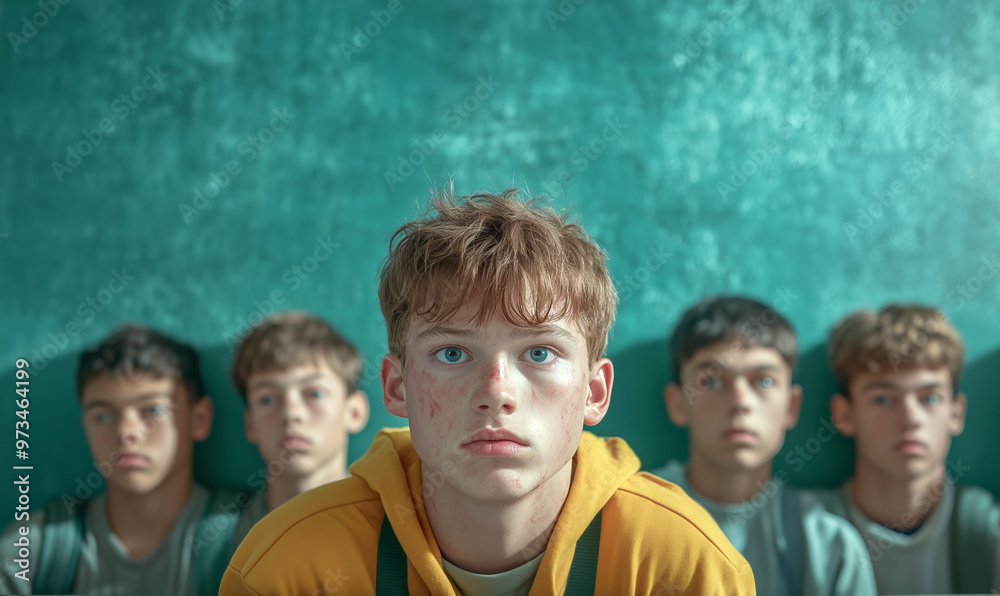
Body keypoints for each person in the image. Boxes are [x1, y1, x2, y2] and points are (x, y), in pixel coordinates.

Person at [221, 188, 755, 595]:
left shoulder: (685, 568)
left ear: (594, 391)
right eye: (453, 353)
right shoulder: (290, 568)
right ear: (396, 385)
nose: (496, 393)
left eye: (539, 353)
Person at [651, 295, 876, 595]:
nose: (740, 402)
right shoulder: (632, 519)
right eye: (712, 381)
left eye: (764, 381)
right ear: (677, 403)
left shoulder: (830, 545)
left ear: (791, 406)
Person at [0, 324, 233, 595]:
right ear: (85, 425)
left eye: (153, 410)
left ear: (199, 419)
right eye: (104, 415)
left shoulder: (251, 535)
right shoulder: (35, 546)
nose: (126, 433)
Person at [821, 304, 997, 594]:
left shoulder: (988, 534)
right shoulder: (800, 534)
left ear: (956, 413)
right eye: (883, 399)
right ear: (844, 415)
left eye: (929, 399)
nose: (910, 419)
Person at [228, 310, 369, 549]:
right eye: (267, 399)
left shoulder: (395, 529)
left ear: (354, 412)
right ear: (250, 424)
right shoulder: (218, 542)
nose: (290, 413)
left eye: (314, 393)